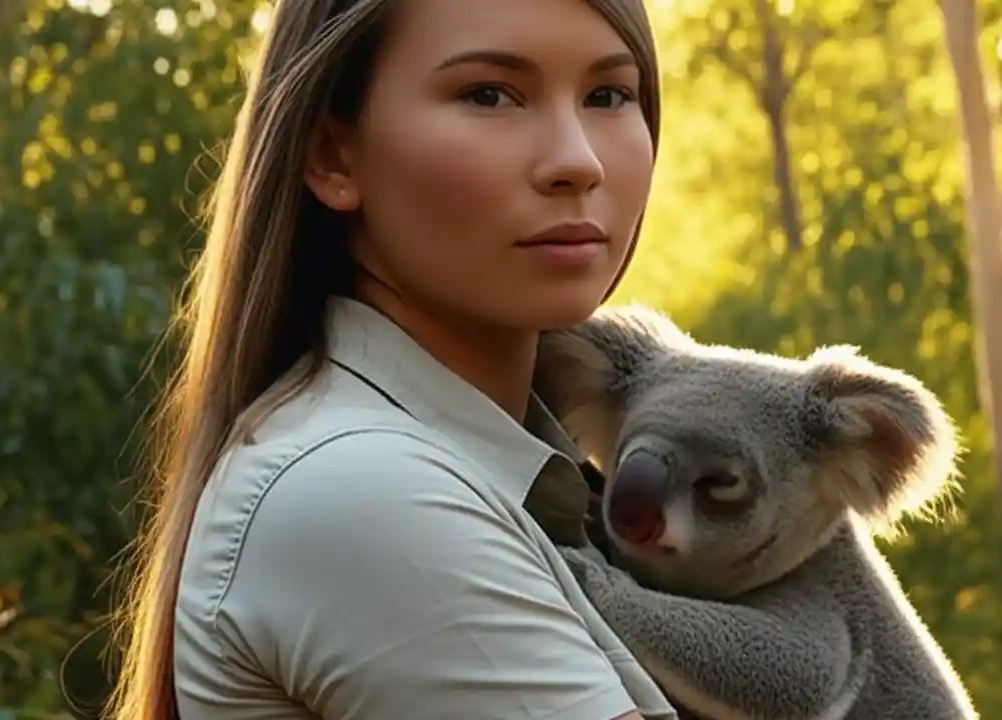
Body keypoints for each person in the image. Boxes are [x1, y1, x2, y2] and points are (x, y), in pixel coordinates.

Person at [107, 0, 673, 717]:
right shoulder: (362, 489)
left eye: (607, 95)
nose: (577, 161)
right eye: (488, 94)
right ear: (333, 155)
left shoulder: (515, 472)